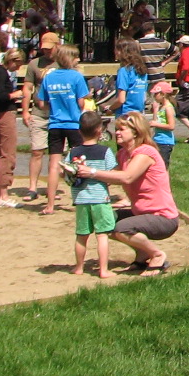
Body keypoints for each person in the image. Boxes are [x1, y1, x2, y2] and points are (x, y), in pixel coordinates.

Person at [74, 112, 180, 276]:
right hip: (141, 212)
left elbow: (127, 177)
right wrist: (75, 171)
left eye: (122, 129)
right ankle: (142, 254)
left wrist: (92, 172)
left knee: (120, 229)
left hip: (163, 216)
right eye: (116, 129)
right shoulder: (123, 154)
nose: (117, 133)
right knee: (105, 221)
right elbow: (109, 177)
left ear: (136, 132)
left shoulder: (145, 152)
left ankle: (157, 255)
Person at [39, 43, 91, 215]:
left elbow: (43, 104)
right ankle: (80, 199)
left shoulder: (49, 77)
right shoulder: (76, 77)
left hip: (55, 124)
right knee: (79, 162)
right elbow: (81, 102)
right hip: (74, 124)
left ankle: (50, 204)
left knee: (53, 164)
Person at [68, 112, 118, 279]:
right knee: (102, 235)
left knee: (81, 235)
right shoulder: (105, 151)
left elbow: (66, 173)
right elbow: (112, 174)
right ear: (99, 130)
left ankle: (79, 267)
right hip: (100, 198)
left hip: (81, 198)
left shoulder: (73, 152)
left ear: (79, 131)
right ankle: (103, 270)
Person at [0, 48, 25, 207]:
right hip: (4, 114)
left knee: (0, 152)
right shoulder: (1, 73)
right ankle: (3, 194)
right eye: (18, 64)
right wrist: (15, 95)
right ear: (12, 60)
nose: (18, 68)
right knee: (7, 154)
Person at [20, 31, 56, 200]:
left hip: (58, 114)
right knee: (37, 150)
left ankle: (52, 187)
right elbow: (27, 88)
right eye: (45, 49)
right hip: (39, 113)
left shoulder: (63, 64)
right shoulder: (34, 64)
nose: (47, 52)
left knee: (56, 154)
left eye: (50, 48)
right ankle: (33, 187)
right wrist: (25, 111)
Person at [114, 38, 150, 117]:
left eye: (117, 49)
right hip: (139, 114)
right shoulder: (142, 70)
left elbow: (121, 99)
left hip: (125, 114)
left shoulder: (124, 71)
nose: (115, 52)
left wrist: (111, 108)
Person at [148, 80, 178, 166]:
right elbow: (155, 121)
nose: (154, 96)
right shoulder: (161, 107)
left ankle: (165, 179)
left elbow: (171, 126)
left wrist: (155, 124)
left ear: (163, 94)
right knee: (156, 165)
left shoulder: (168, 108)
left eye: (156, 94)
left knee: (163, 166)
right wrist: (155, 110)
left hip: (165, 141)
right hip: (157, 139)